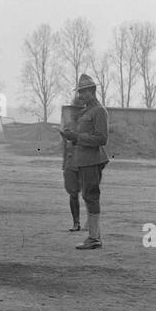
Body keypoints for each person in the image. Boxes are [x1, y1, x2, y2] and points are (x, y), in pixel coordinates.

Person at [59, 74, 108, 250]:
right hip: (83, 160)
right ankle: (94, 236)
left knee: (91, 197)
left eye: (84, 92)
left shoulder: (99, 111)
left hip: (92, 160)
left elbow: (102, 138)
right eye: (79, 92)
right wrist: (70, 137)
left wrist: (77, 136)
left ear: (93, 91)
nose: (80, 96)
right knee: (88, 196)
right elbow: (82, 137)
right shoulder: (85, 112)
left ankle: (94, 239)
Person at [60, 95, 83, 231]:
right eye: (74, 109)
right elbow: (65, 146)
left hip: (85, 162)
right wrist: (64, 164)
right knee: (73, 194)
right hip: (70, 163)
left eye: (79, 109)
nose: (76, 112)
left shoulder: (88, 124)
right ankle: (76, 222)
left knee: (88, 195)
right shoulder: (68, 125)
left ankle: (90, 223)